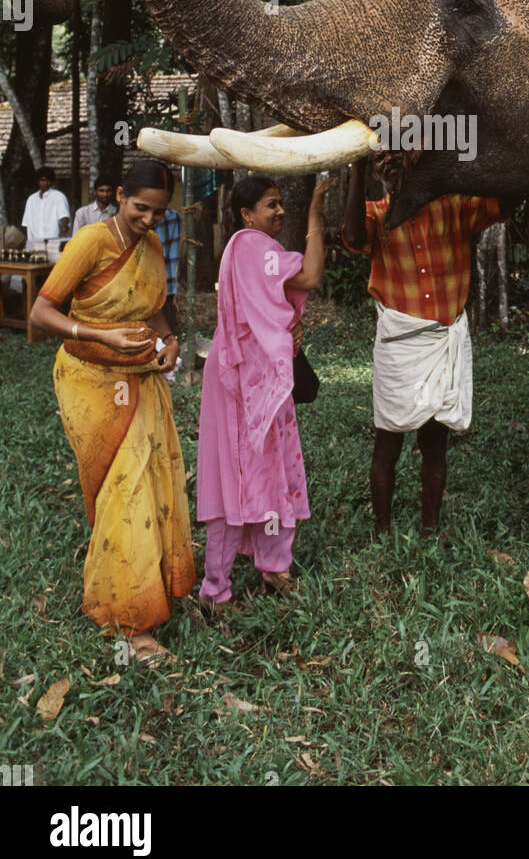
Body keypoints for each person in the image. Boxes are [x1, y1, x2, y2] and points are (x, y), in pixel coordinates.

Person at [29, 159, 196, 663]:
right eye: (141, 208)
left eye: (159, 212)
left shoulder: (148, 244)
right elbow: (42, 311)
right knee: (121, 489)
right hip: (89, 380)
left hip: (140, 377)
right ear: (120, 195)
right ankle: (129, 622)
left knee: (148, 483)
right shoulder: (91, 241)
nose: (149, 220)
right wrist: (99, 334)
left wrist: (169, 338)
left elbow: (150, 306)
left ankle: (152, 587)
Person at [342, 153, 508, 537]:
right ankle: (383, 532)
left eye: (397, 158)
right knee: (388, 443)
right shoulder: (374, 214)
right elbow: (352, 236)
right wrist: (354, 168)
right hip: (399, 348)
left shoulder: (452, 205)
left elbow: (504, 202)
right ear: (375, 171)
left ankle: (430, 529)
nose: (391, 166)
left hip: (443, 338)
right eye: (381, 161)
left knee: (434, 443)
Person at [196, 172, 335, 610]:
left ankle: (274, 567)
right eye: (271, 204)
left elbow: (285, 290)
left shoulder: (255, 250)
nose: (280, 211)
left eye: (282, 203)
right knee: (237, 479)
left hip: (258, 374)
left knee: (270, 470)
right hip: (242, 379)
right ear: (246, 214)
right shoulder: (252, 246)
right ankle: (216, 591)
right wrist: (315, 213)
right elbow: (310, 275)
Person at [153, 191, 182, 335]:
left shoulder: (171, 217)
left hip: (163, 285)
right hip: (141, 286)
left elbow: (167, 253)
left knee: (166, 334)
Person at [22, 166, 71, 249]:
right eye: (43, 180)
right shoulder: (31, 199)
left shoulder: (58, 197)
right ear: (38, 181)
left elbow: (64, 217)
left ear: (52, 181)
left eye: (48, 180)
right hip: (34, 243)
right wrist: (28, 242)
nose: (46, 183)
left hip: (53, 242)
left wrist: (63, 230)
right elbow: (27, 224)